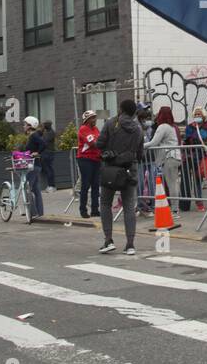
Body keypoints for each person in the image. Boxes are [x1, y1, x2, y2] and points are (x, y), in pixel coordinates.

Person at [96, 99, 143, 254]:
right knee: (129, 206)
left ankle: (108, 239)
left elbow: (99, 143)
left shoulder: (111, 123)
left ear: (121, 110)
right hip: (130, 170)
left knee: (105, 203)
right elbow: (140, 153)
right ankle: (130, 244)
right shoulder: (138, 129)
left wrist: (110, 152)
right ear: (134, 112)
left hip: (111, 169)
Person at [145, 106, 182, 215]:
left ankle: (175, 210)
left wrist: (140, 145)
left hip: (169, 157)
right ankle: (175, 208)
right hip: (175, 156)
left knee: (172, 184)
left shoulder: (162, 127)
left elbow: (153, 142)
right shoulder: (172, 127)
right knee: (174, 184)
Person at [181, 108, 207, 214]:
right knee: (197, 181)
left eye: (199, 114)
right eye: (195, 114)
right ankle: (199, 203)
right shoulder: (190, 127)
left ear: (203, 115)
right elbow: (186, 141)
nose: (197, 116)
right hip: (194, 158)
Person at [76, 110, 103, 219]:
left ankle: (95, 210)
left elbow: (100, 141)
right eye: (92, 118)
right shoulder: (83, 129)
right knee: (86, 185)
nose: (94, 120)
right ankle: (83, 210)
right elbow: (93, 143)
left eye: (95, 117)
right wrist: (102, 144)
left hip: (96, 158)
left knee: (96, 185)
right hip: (85, 159)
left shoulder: (95, 129)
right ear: (87, 120)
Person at [22, 117, 45, 217]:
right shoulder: (33, 135)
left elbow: (43, 144)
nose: (23, 126)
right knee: (36, 189)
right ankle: (39, 213)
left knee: (27, 188)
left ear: (30, 126)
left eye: (25, 124)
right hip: (36, 165)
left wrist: (37, 152)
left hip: (33, 165)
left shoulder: (33, 135)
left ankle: (33, 212)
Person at [39, 120, 58, 193]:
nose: (43, 126)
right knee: (48, 169)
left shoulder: (50, 133)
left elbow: (44, 142)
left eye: (44, 125)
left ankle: (51, 186)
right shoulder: (47, 132)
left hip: (48, 153)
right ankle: (50, 186)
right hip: (46, 153)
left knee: (49, 169)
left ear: (47, 125)